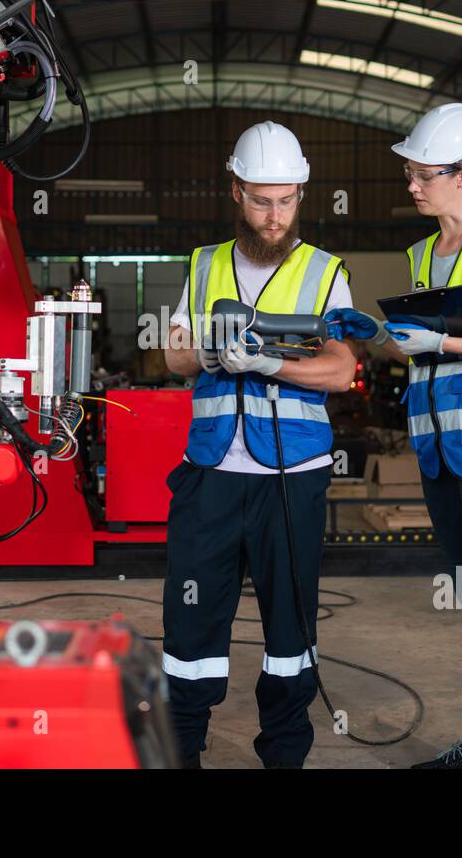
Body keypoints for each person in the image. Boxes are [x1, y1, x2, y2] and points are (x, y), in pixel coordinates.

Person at [326, 102, 462, 770]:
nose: (413, 185)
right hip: (438, 447)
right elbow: (425, 352)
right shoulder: (422, 252)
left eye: (424, 173)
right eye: (412, 173)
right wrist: (381, 338)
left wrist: (446, 339)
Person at [162, 121, 357, 769]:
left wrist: (272, 365)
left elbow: (341, 369)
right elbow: (173, 354)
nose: (273, 217)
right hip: (211, 472)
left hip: (291, 477)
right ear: (236, 190)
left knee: (289, 630)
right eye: (259, 200)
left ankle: (283, 755)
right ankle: (182, 749)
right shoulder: (204, 262)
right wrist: (208, 353)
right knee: (190, 625)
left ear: (301, 194)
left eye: (286, 201)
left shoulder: (326, 273)